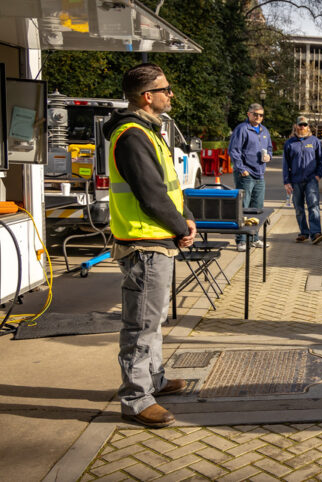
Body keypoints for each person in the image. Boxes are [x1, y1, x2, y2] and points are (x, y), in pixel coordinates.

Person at [104, 63, 194, 428]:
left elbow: (168, 183)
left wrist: (185, 217)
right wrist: (179, 228)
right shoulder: (132, 135)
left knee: (151, 320)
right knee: (141, 324)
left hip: (156, 239)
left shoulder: (148, 132)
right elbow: (150, 194)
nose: (170, 94)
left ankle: (153, 381)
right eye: (165, 89)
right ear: (147, 96)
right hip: (145, 241)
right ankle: (136, 399)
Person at [229, 102, 272, 251]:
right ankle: (241, 240)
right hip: (246, 174)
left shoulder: (264, 130)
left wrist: (269, 157)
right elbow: (234, 150)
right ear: (249, 114)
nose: (259, 117)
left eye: (261, 115)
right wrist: (242, 169)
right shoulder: (242, 129)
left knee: (257, 208)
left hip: (260, 174)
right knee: (243, 207)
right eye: (256, 114)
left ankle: (253, 238)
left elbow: (270, 149)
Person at [283, 116, 322, 244]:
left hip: (311, 179)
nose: (302, 127)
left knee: (313, 205)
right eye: (300, 125)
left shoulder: (315, 142)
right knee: (299, 208)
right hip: (295, 180)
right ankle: (304, 232)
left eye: (304, 125)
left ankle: (316, 233)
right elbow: (286, 164)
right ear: (296, 126)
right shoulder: (289, 143)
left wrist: (318, 175)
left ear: (308, 127)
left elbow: (321, 161)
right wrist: (286, 181)